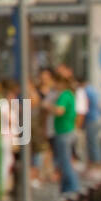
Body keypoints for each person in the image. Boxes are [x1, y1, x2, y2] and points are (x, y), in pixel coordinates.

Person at [41, 66, 79, 194]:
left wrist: (47, 106)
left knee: (64, 162)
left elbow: (59, 110)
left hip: (64, 131)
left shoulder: (64, 94)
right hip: (66, 130)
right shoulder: (70, 94)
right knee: (64, 161)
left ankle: (72, 188)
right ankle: (66, 188)